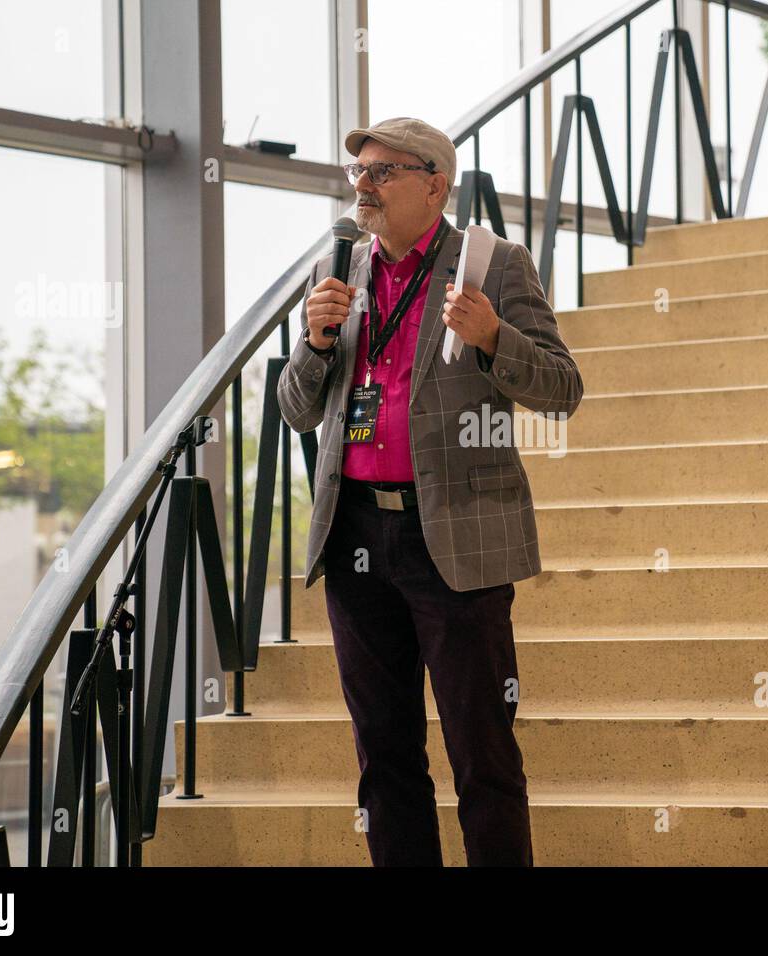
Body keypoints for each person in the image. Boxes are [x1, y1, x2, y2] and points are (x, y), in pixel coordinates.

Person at [276, 116, 584, 866]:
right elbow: (296, 409)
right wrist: (314, 345)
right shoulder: (341, 268)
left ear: (434, 184)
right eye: (359, 175)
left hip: (453, 535)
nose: (365, 188)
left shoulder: (495, 265)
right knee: (384, 757)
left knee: (482, 755)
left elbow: (563, 388)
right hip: (354, 535)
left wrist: (492, 339)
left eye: (383, 173)